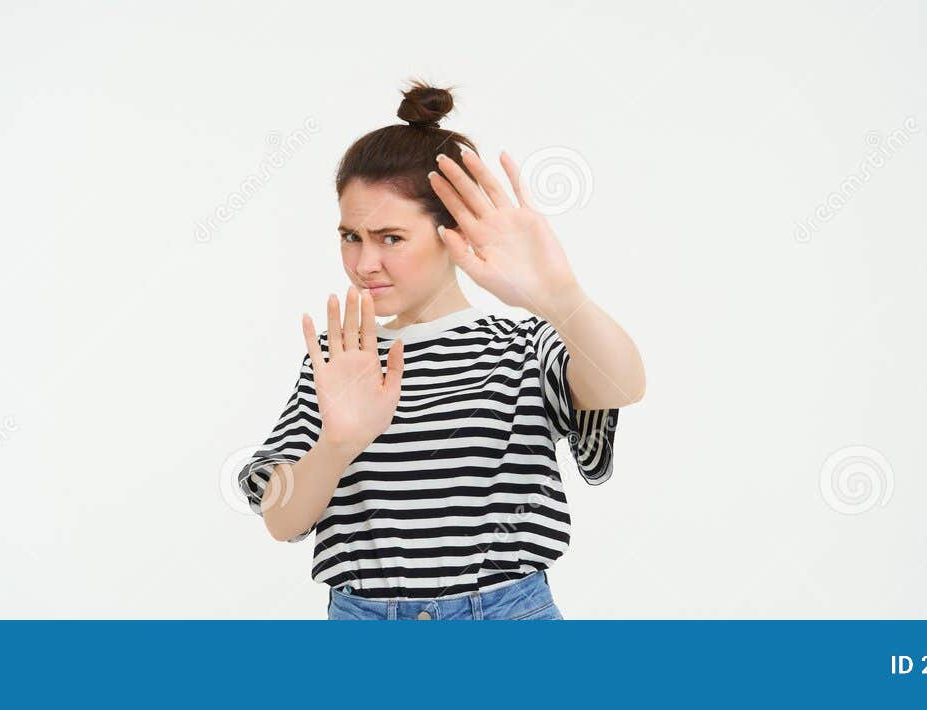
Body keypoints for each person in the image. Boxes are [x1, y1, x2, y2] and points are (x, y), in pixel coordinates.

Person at [237, 80, 646, 620]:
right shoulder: (341, 361)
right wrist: (338, 443)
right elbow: (281, 520)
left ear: (452, 232)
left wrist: (558, 297)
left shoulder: (522, 347)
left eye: (391, 237)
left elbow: (623, 385)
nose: (363, 264)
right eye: (350, 236)